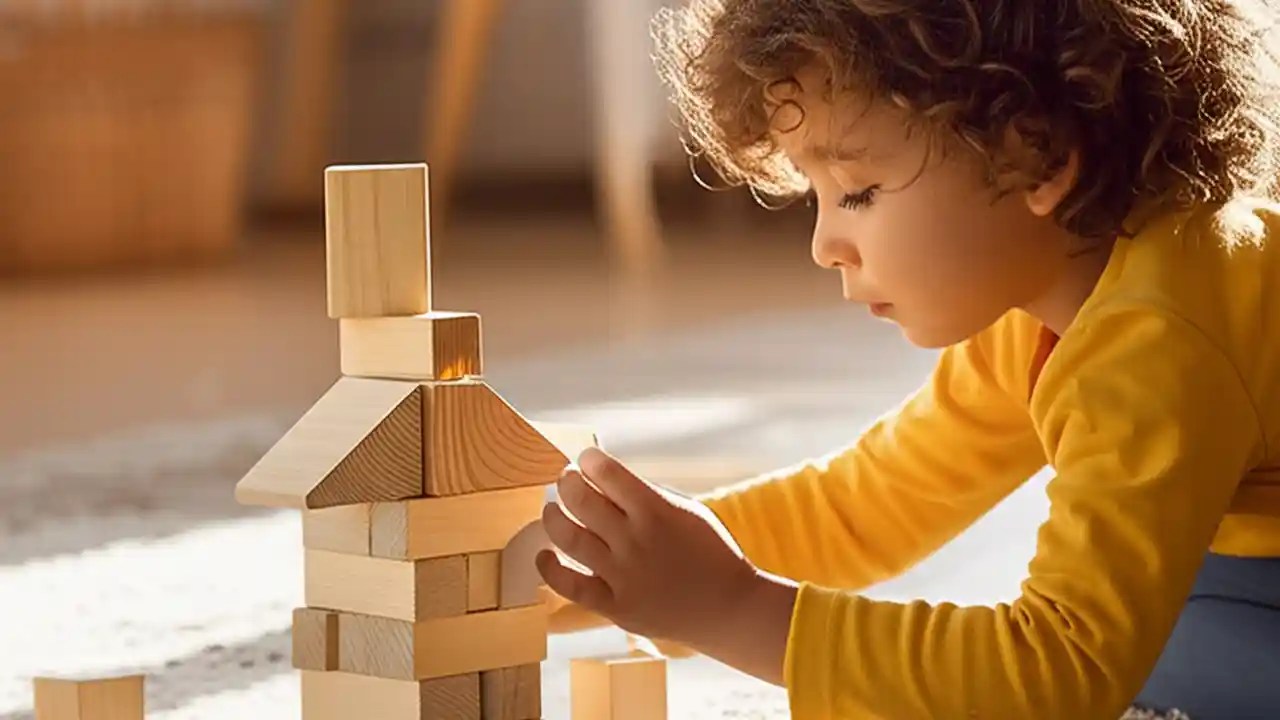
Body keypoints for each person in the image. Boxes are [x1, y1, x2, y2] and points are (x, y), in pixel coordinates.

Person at [535, 1, 1280, 717]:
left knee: (1136, 661)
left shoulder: (1154, 341)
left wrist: (732, 607)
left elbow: (1061, 669)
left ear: (1038, 155)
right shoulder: (1043, 300)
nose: (824, 245)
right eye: (815, 193)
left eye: (857, 192)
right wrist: (604, 567)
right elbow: (866, 507)